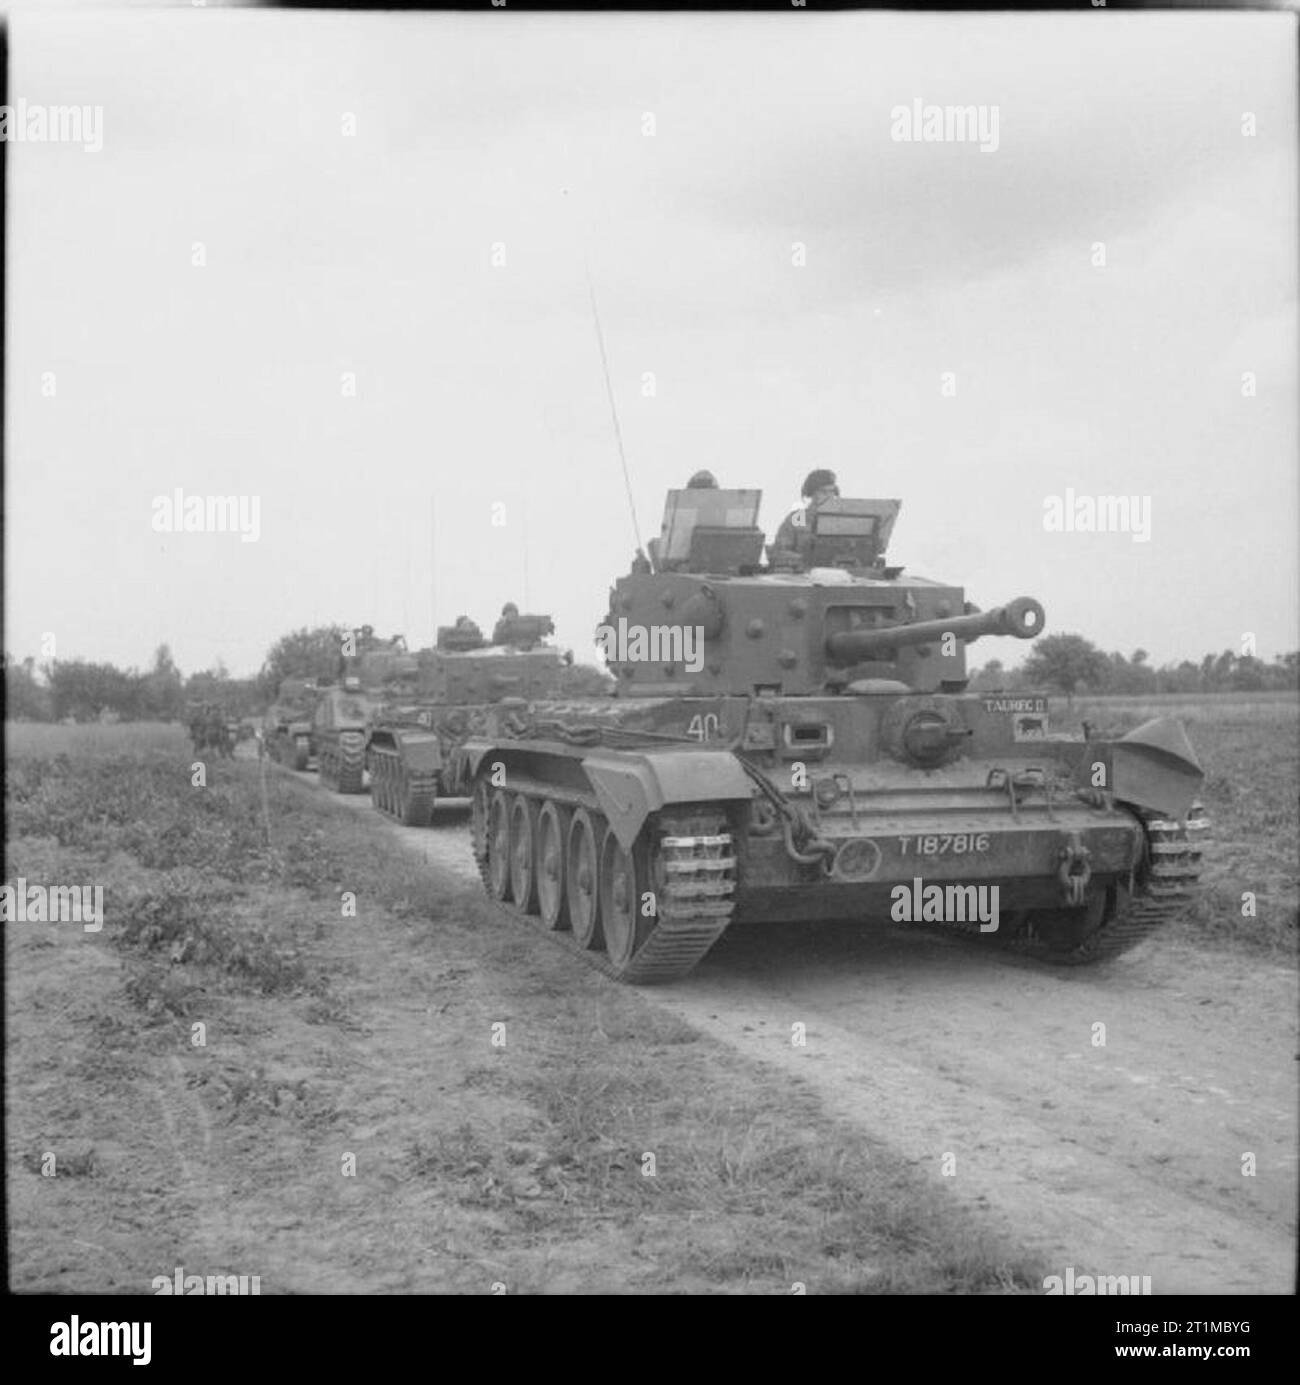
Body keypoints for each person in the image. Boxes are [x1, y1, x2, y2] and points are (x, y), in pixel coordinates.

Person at [770, 468, 839, 562]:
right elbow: (780, 552)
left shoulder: (840, 520)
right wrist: (804, 558)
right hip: (801, 572)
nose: (829, 496)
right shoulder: (799, 517)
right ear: (811, 492)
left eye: (832, 492)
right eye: (823, 492)